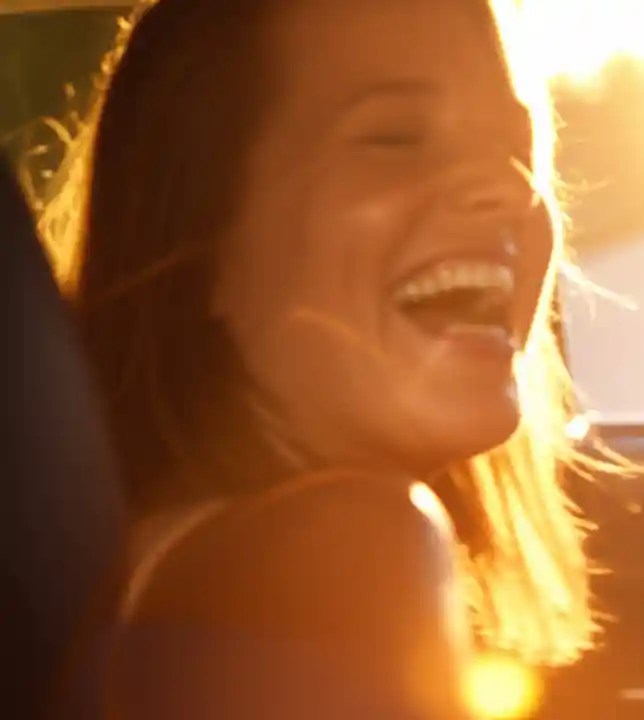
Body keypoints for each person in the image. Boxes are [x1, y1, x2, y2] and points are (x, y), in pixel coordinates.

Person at [37, 0, 610, 716]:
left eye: (517, 151)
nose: (506, 188)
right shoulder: (345, 544)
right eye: (395, 138)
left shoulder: (144, 574)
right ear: (206, 234)